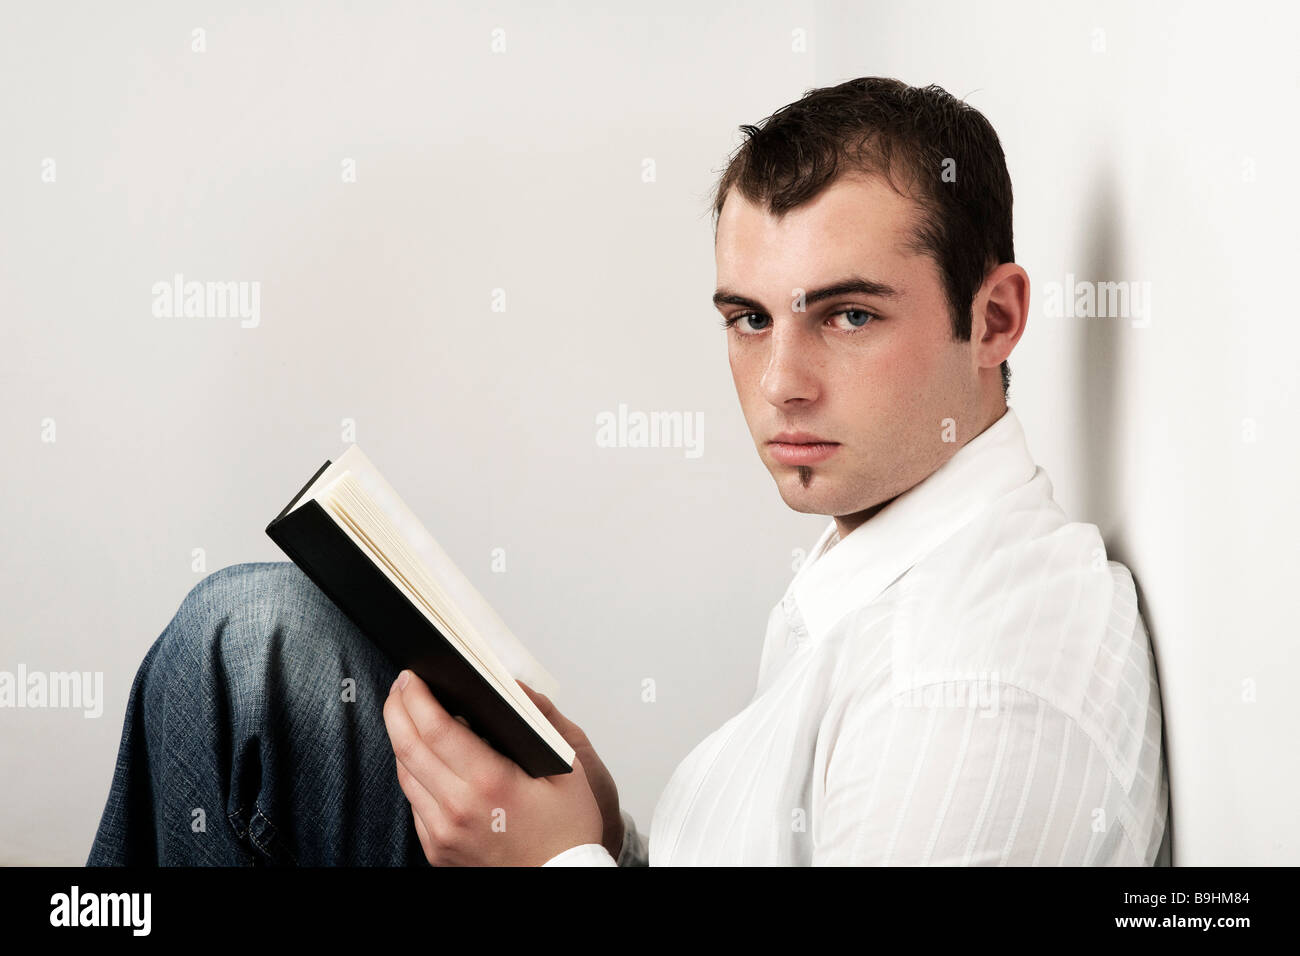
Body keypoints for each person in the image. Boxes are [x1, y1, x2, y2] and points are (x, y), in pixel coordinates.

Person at [87, 76, 1171, 867]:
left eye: (846, 314)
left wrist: (559, 866)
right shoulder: (882, 577)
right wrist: (604, 830)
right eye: (747, 318)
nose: (780, 382)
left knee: (248, 651)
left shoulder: (976, 687)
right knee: (265, 640)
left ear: (993, 319)